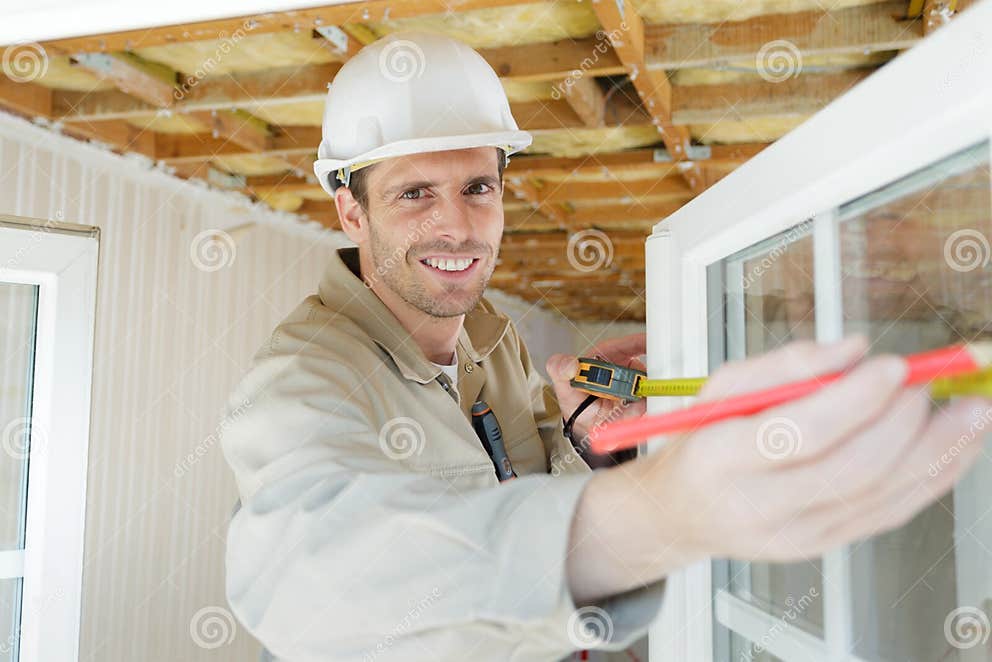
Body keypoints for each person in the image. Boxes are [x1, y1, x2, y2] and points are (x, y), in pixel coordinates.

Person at [219, 31, 991, 661]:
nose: (455, 226)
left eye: (477, 187)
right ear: (351, 214)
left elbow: (518, 498)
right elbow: (303, 583)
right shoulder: (303, 375)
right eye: (414, 193)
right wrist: (664, 512)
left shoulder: (496, 344)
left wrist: (588, 444)